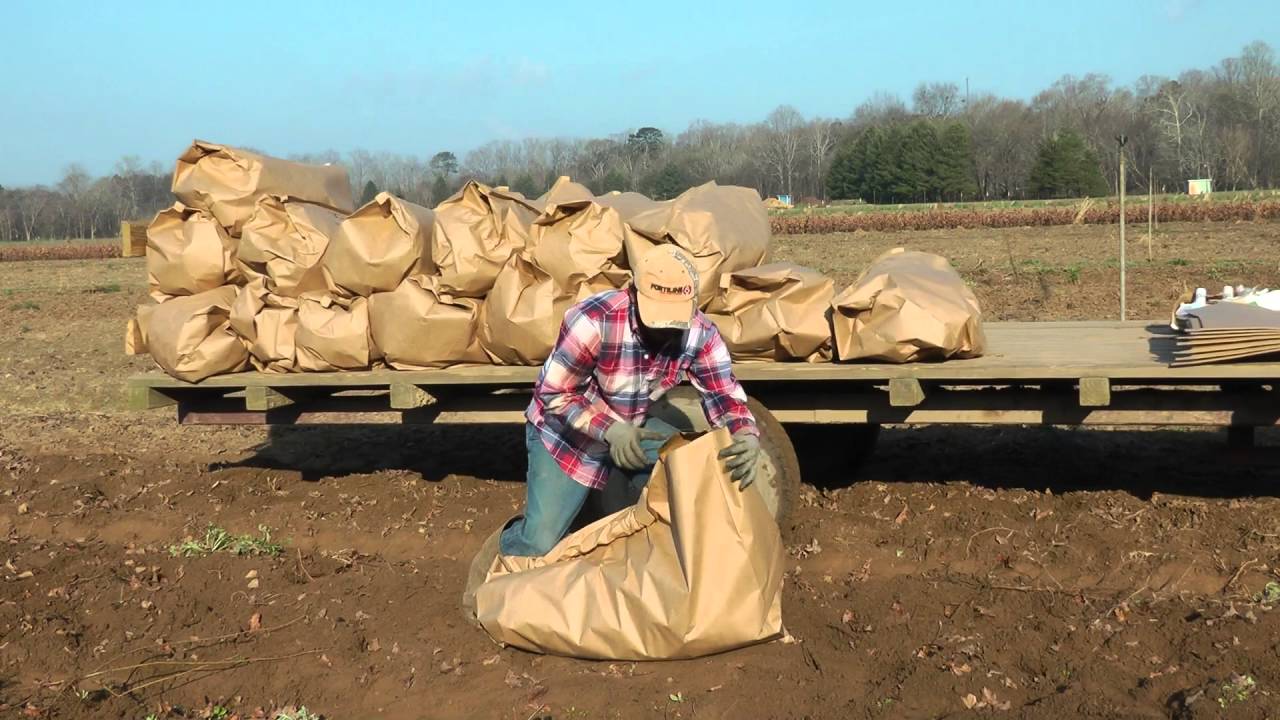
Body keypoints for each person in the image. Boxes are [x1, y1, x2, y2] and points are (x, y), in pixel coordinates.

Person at [499, 244, 762, 557]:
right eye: (658, 322)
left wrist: (744, 432)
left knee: (703, 470)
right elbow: (553, 393)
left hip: (634, 427)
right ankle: (504, 554)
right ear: (635, 295)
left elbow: (723, 394)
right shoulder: (594, 320)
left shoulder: (701, 334)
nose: (667, 332)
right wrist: (611, 430)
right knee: (539, 544)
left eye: (674, 323)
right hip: (567, 438)